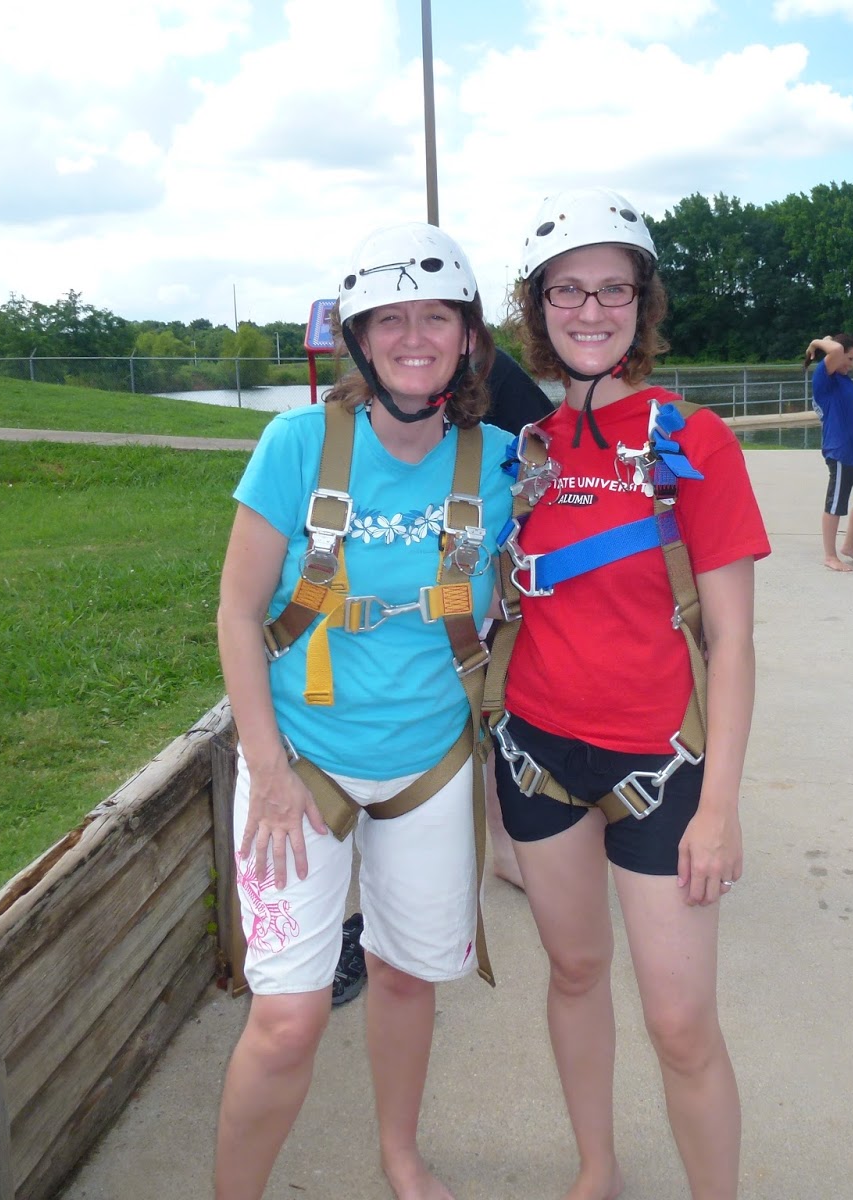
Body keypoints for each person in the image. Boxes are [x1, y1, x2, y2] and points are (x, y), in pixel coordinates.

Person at [213, 221, 513, 1200]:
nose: (415, 336)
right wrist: (264, 768)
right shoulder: (298, 442)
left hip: (430, 762)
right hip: (301, 761)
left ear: (469, 339)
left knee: (404, 976)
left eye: (438, 318)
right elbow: (235, 609)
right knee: (289, 1017)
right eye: (392, 320)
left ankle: (399, 1153)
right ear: (360, 338)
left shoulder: (504, 461)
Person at [491, 187, 771, 1200]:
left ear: (642, 304)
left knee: (680, 1021)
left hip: (662, 766)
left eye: (614, 289)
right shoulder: (507, 442)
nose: (591, 310)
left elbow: (733, 640)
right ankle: (596, 1167)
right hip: (535, 756)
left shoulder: (691, 437)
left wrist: (723, 807)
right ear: (538, 307)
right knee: (572, 973)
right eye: (568, 291)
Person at [481, 347, 554, 889]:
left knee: (494, 701)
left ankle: (507, 843)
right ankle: (503, 846)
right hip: (476, 553)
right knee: (489, 703)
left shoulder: (490, 371)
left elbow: (538, 457)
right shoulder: (478, 365)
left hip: (500, 544)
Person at [803, 332, 853, 570]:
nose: (851, 364)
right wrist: (816, 342)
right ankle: (830, 555)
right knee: (836, 504)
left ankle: (849, 546)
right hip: (840, 451)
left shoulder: (844, 379)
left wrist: (828, 340)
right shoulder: (824, 378)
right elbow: (833, 351)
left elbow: (835, 350)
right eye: (849, 358)